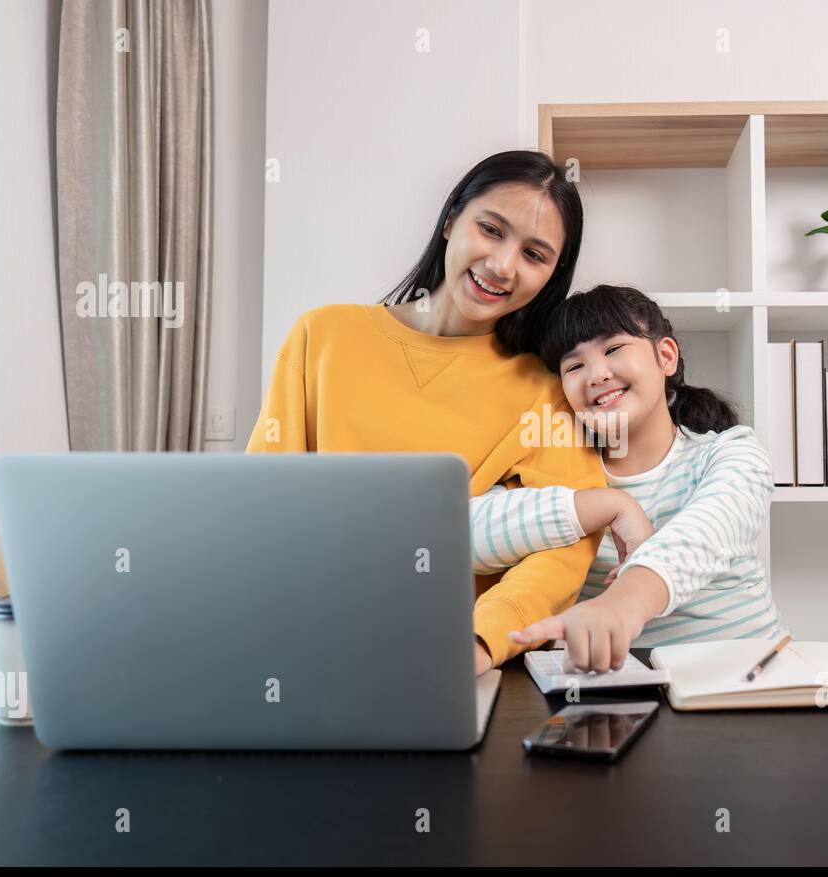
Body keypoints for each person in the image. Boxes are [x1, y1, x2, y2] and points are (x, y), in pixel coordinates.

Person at [246, 150, 608, 675]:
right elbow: (263, 501)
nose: (503, 265)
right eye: (491, 229)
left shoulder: (545, 390)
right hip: (307, 643)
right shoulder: (323, 336)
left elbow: (566, 543)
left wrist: (483, 642)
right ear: (449, 222)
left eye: (534, 255)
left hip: (445, 663)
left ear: (552, 275)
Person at [467, 284, 785, 673]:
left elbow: (708, 532)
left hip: (748, 680)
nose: (597, 375)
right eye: (573, 366)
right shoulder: (556, 469)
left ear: (665, 356)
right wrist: (609, 505)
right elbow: (460, 535)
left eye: (613, 349)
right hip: (621, 689)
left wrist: (622, 604)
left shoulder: (730, 452)